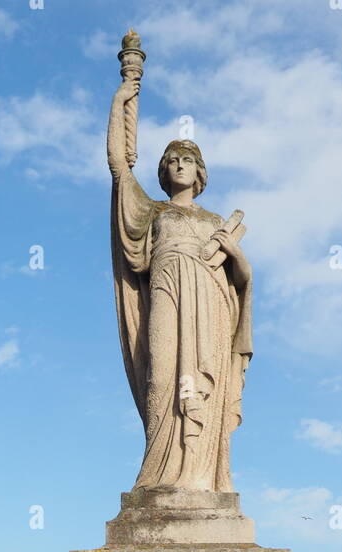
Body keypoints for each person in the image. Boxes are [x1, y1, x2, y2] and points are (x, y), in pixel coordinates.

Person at [107, 76, 253, 492]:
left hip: (209, 306)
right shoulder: (153, 213)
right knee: (162, 372)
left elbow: (242, 281)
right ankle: (158, 472)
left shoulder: (213, 223)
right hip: (167, 291)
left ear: (200, 172)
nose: (179, 165)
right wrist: (122, 98)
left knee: (200, 383)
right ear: (163, 171)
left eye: (186, 159)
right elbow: (119, 168)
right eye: (171, 160)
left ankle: (200, 476)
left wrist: (236, 254)